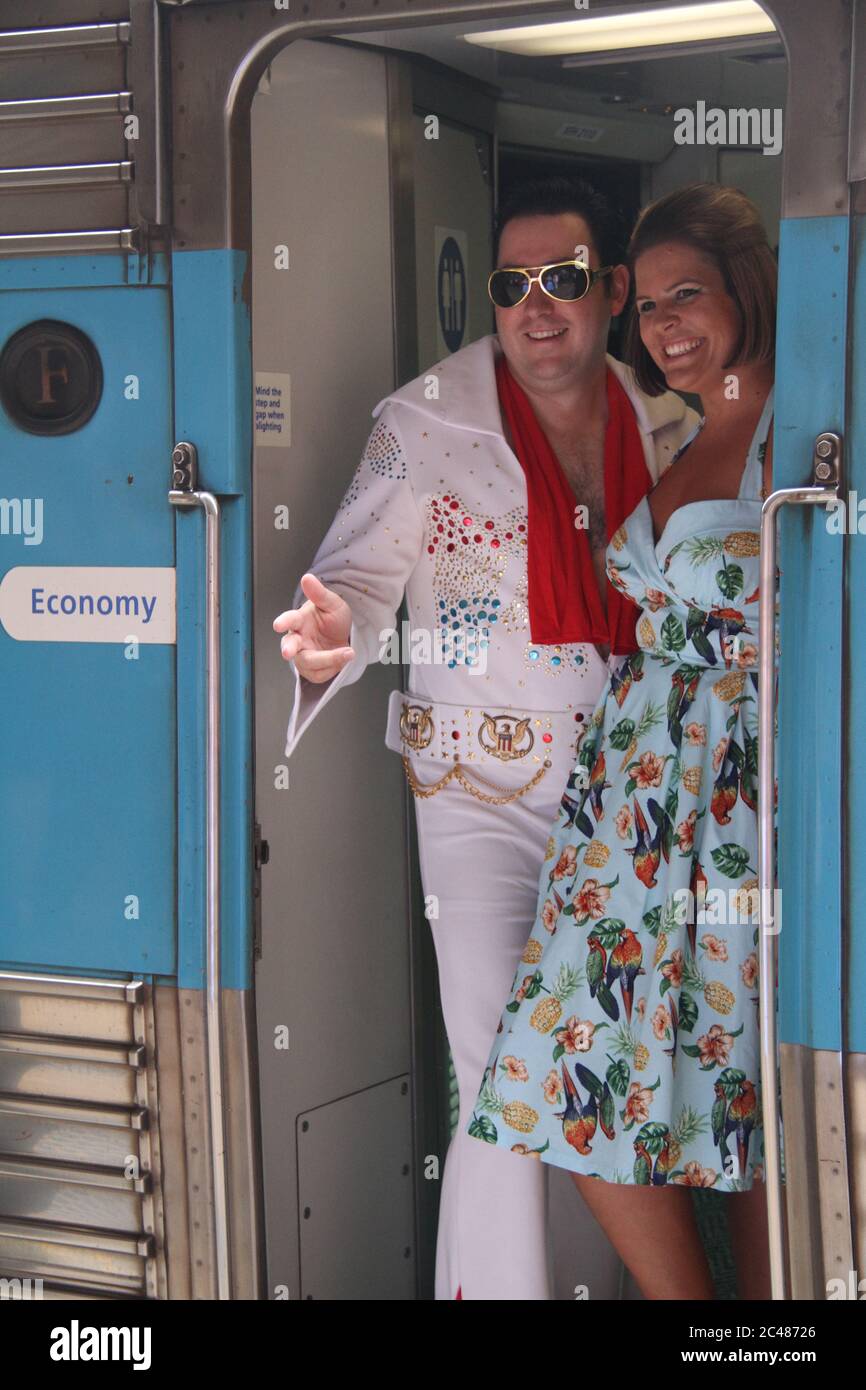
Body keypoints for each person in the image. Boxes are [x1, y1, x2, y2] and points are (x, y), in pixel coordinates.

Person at [274, 176, 699, 1300]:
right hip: (476, 788)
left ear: (608, 291)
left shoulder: (665, 420)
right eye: (511, 286)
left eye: (560, 278)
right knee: (505, 1064)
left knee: (602, 1058)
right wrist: (335, 636)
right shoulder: (422, 421)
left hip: (625, 790)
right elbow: (356, 583)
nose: (534, 306)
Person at [466, 183, 776, 1300]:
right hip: (632, 812)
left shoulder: (804, 417)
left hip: (738, 803)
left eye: (683, 295)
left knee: (733, 1085)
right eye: (644, 307)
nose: (662, 327)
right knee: (567, 1071)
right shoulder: (696, 421)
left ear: (745, 287)